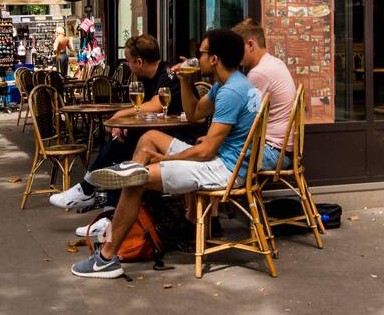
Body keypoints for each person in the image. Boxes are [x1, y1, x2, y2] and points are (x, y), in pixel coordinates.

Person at [71, 29, 260, 278]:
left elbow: (205, 151)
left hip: (226, 169)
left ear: (214, 59)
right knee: (149, 137)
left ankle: (106, 257)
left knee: (135, 180)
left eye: (200, 54)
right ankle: (128, 202)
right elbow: (194, 115)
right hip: (223, 160)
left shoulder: (230, 92)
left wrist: (165, 160)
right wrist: (184, 80)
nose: (196, 59)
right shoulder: (226, 84)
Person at [50, 33, 182, 215]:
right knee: (121, 140)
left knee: (124, 144)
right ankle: (108, 208)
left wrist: (120, 116)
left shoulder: (168, 74)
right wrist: (125, 123)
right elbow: (146, 110)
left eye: (128, 61)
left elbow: (156, 105)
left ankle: (91, 192)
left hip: (181, 136)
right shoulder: (146, 78)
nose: (127, 65)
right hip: (160, 134)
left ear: (140, 62)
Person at [233, 18, 296, 169]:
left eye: (237, 48)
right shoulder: (274, 62)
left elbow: (247, 120)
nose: (235, 54)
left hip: (272, 153)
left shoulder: (259, 73)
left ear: (250, 45)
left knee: (218, 153)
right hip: (284, 150)